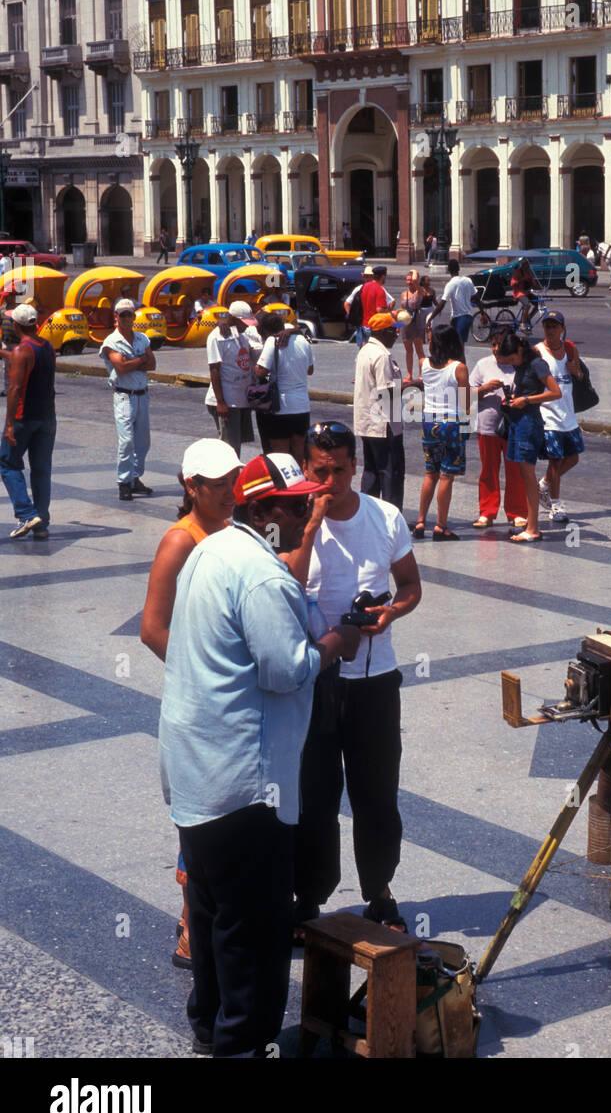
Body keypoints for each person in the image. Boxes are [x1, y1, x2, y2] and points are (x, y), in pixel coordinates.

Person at [159, 451, 361, 1056]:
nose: (309, 511)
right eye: (298, 503)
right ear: (265, 510)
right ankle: (243, 1042)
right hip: (247, 783)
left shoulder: (214, 549)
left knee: (215, 912)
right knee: (254, 927)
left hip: (196, 773)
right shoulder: (264, 574)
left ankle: (210, 1028)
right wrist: (336, 640)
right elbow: (286, 670)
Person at [284, 421, 422, 936]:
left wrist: (392, 613)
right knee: (313, 795)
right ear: (306, 467)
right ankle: (308, 897)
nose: (332, 479)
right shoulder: (290, 516)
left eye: (341, 469)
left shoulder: (384, 517)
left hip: (374, 679)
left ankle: (379, 891)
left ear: (354, 466)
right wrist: (312, 523)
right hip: (314, 678)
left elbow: (409, 585)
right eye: (321, 470)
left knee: (377, 793)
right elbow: (283, 585)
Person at [141, 438, 243, 970]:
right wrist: (201, 679)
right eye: (218, 485)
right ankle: (190, 926)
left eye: (234, 481)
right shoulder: (180, 540)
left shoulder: (234, 527)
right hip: (200, 707)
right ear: (192, 487)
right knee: (198, 817)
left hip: (230, 705)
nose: (230, 492)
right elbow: (153, 628)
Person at [497, 331, 560, 543]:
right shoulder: (521, 364)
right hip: (518, 419)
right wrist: (515, 399)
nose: (511, 363)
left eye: (512, 358)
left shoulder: (537, 364)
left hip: (529, 421)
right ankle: (530, 523)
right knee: (524, 475)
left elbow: (555, 392)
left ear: (520, 350)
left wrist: (526, 400)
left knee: (528, 475)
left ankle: (533, 528)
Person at [0, 303, 56, 539]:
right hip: (47, 418)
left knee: (8, 464)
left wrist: (10, 423)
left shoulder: (23, 350)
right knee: (41, 471)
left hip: (24, 417)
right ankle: (41, 524)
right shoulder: (47, 346)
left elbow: (14, 388)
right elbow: (19, 359)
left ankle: (25, 513)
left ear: (16, 325)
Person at [411, 324, 470, 541]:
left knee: (430, 473)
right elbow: (466, 403)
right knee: (446, 477)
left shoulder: (423, 364)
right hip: (451, 423)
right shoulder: (459, 368)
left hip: (429, 422)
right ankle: (441, 525)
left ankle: (420, 521)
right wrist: (467, 429)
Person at [468, 326, 527, 529]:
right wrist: (483, 390)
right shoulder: (483, 365)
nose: (495, 349)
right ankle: (487, 511)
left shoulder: (520, 365)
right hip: (488, 426)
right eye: (492, 344)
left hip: (514, 426)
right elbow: (465, 395)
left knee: (516, 471)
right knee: (488, 470)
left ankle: (517, 512)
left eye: (499, 345)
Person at [99, 298, 156, 501]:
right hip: (124, 396)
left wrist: (132, 361)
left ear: (133, 316)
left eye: (129, 314)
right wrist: (140, 360)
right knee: (127, 441)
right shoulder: (111, 342)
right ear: (116, 317)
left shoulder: (142, 338)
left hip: (142, 394)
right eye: (122, 315)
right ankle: (124, 481)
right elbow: (121, 368)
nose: (125, 318)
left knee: (143, 441)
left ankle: (134, 477)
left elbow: (153, 364)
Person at [535, 312, 583, 525]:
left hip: (568, 413)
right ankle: (556, 506)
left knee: (573, 458)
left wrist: (575, 371)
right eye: (547, 326)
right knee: (555, 461)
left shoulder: (570, 349)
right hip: (548, 414)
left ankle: (544, 483)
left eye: (554, 326)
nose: (550, 330)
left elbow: (580, 375)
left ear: (562, 328)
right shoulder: (537, 351)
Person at [354, 312, 405, 511]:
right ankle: (392, 516)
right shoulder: (382, 355)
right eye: (394, 331)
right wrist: (413, 386)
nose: (397, 335)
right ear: (384, 332)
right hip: (384, 423)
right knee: (390, 472)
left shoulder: (364, 351)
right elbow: (386, 391)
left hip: (367, 422)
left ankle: (368, 513)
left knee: (371, 471)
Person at [204, 301, 262, 457]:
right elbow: (214, 370)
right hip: (227, 401)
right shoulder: (217, 337)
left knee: (237, 445)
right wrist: (221, 402)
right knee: (230, 448)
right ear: (233, 318)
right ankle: (229, 479)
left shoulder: (242, 333)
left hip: (240, 399)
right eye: (243, 322)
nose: (246, 326)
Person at [252, 316, 313, 463]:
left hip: (281, 407)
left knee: (281, 457)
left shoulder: (272, 341)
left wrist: (255, 365)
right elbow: (310, 370)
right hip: (302, 406)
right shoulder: (303, 341)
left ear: (265, 330)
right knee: (299, 454)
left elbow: (261, 372)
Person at [426, 258, 480, 345]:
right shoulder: (468, 280)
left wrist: (430, 318)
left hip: (461, 318)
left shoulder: (451, 284)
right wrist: (482, 312)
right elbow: (476, 298)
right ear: (459, 269)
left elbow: (442, 304)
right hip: (463, 317)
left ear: (449, 270)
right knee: (454, 346)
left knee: (459, 348)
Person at [398, 269, 427, 378]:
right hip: (406, 324)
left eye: (410, 280)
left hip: (416, 323)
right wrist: (397, 325)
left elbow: (415, 280)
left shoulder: (420, 291)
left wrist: (414, 270)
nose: (409, 282)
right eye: (407, 280)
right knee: (408, 351)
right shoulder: (403, 294)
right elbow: (401, 309)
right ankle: (409, 375)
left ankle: (421, 375)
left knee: (419, 350)